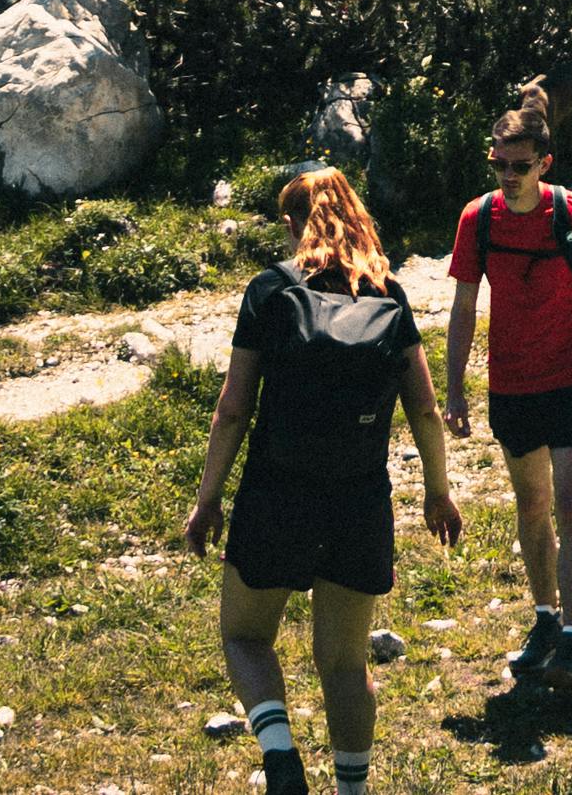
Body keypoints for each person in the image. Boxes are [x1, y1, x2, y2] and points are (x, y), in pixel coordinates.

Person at [184, 165, 461, 795]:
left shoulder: (270, 291)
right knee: (344, 663)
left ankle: (281, 755)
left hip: (277, 491)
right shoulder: (387, 293)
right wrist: (438, 492)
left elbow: (233, 408)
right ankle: (352, 790)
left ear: (292, 225)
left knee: (246, 634)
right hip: (358, 499)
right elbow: (422, 407)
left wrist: (207, 502)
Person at [443, 106, 572, 691]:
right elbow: (464, 307)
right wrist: (454, 391)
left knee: (570, 508)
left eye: (519, 166)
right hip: (512, 385)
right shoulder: (479, 220)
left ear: (544, 163)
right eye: (498, 163)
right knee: (531, 508)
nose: (507, 175)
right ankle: (544, 618)